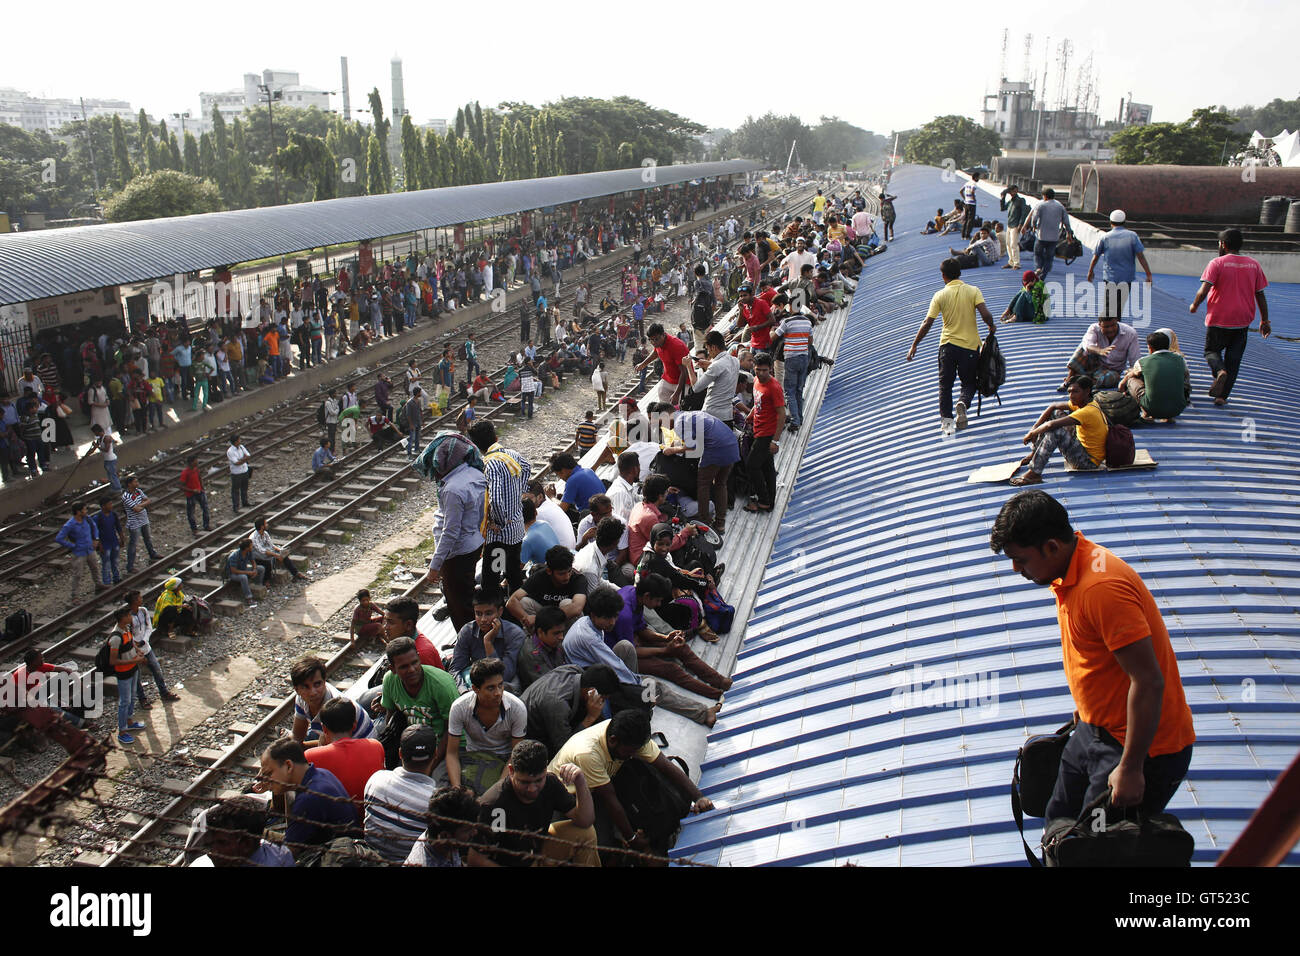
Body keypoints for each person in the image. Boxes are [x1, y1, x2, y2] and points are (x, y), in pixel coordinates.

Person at [989, 491, 1195, 820]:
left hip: (1140, 749)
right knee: (1060, 823)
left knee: (1096, 847)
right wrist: (1087, 709)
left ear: (1052, 546)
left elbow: (1148, 681)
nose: (1016, 569)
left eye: (1022, 560)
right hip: (1094, 728)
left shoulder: (1100, 589)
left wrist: (1130, 768)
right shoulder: (1070, 567)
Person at [548, 709, 713, 856]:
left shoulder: (632, 734)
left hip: (599, 784)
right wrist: (632, 839)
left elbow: (665, 766)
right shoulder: (588, 753)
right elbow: (609, 798)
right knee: (604, 845)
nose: (633, 754)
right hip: (568, 795)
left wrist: (698, 797)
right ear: (613, 741)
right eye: (630, 751)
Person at [906, 258, 997, 436]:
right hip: (970, 347)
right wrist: (991, 326)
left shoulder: (940, 295)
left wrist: (914, 345)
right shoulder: (973, 291)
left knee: (945, 386)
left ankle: (947, 425)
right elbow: (985, 313)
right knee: (969, 382)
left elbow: (927, 322)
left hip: (947, 347)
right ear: (960, 273)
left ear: (943, 276)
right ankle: (963, 403)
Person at [477, 739, 600, 867]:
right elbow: (476, 860)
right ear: (511, 771)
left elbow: (585, 820)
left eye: (538, 781)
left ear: (546, 768)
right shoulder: (494, 804)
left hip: (537, 853)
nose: (532, 789)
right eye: (524, 782)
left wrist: (580, 781)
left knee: (585, 833)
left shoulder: (550, 783)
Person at [1189, 227, 1270, 407]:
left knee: (1211, 351)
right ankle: (1222, 397)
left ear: (1223, 244)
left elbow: (1204, 290)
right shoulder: (1253, 265)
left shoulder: (1217, 263)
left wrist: (1195, 305)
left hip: (1219, 319)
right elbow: (1260, 294)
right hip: (1242, 322)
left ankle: (1219, 371)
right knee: (1234, 360)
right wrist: (1264, 320)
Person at [417, 433, 487, 633]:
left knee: (458, 604)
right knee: (466, 597)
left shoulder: (453, 489)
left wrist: (435, 565)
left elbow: (451, 531)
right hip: (473, 543)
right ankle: (475, 637)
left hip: (456, 553)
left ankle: (469, 642)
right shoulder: (475, 474)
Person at [255, 735, 357, 856]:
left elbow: (287, 855)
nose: (265, 780)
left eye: (268, 773)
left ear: (288, 766)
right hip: (345, 847)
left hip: (339, 858)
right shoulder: (321, 774)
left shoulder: (309, 799)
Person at [445, 658, 527, 794]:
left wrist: (498, 790)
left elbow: (515, 755)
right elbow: (451, 753)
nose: (498, 693)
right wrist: (457, 789)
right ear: (475, 689)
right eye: (491, 688)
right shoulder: (459, 707)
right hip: (472, 756)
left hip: (504, 760)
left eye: (500, 685)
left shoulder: (517, 709)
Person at [1009, 375, 1107, 486]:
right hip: (1082, 447)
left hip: (1088, 462)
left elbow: (1050, 425)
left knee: (1056, 431)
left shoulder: (1087, 411)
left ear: (1087, 391)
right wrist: (1034, 427)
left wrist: (1031, 433)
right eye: (1069, 392)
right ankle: (1035, 453)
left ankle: (1034, 473)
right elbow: (1053, 406)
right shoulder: (1084, 403)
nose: (1071, 396)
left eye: (1075, 392)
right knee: (1055, 413)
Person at [363, 724, 442, 862]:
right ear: (435, 754)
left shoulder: (376, 780)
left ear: (400, 753)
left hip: (370, 861)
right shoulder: (436, 802)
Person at [304, 697, 385, 812]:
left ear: (324, 728)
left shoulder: (311, 756)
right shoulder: (376, 746)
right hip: (371, 818)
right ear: (354, 725)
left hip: (336, 823)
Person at [520, 662, 619, 757]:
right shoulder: (558, 705)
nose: (602, 703)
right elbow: (565, 748)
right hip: (529, 735)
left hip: (547, 716)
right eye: (603, 699)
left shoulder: (574, 670)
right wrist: (590, 717)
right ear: (592, 692)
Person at [375, 636, 460, 746]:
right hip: (412, 740)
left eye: (414, 663)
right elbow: (390, 715)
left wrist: (434, 761)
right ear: (393, 669)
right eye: (404, 667)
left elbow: (453, 729)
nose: (411, 670)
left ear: (419, 658)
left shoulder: (441, 684)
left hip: (445, 743)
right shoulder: (390, 680)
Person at [290, 654, 375, 746]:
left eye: (317, 684)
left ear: (324, 682)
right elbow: (297, 738)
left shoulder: (336, 707)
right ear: (297, 690)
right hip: (334, 741)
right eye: (305, 687)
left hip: (361, 747)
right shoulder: (301, 699)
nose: (313, 692)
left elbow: (336, 748)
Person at [450, 588, 526, 689]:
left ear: (500, 612)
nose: (483, 619)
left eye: (488, 613)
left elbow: (505, 675)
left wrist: (488, 642)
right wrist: (463, 691)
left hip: (505, 684)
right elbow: (455, 668)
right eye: (478, 614)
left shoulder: (515, 634)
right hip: (477, 682)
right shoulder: (467, 631)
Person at [188, 795, 294, 867]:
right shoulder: (281, 854)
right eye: (211, 843)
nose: (213, 851)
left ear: (247, 844)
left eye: (222, 843)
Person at [1086, 210, 1154, 320]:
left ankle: (1106, 328)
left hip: (1110, 277)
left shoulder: (1105, 237)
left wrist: (1090, 271)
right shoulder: (1132, 236)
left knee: (1108, 306)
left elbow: (1096, 256)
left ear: (1111, 222)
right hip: (1126, 278)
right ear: (1124, 222)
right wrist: (1148, 274)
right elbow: (1141, 256)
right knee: (1120, 306)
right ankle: (1116, 326)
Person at [507, 546, 590, 631]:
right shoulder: (539, 576)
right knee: (524, 602)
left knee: (567, 603)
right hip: (545, 621)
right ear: (549, 571)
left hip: (565, 625)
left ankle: (565, 642)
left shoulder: (578, 579)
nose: (567, 577)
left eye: (569, 571)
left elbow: (577, 608)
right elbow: (511, 602)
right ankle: (538, 639)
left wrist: (540, 619)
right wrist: (526, 617)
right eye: (561, 574)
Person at [403, 786, 491, 866]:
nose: (474, 832)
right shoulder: (425, 863)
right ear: (445, 835)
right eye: (468, 830)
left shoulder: (443, 842)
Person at [1118, 330, 1191, 422]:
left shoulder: (1143, 361)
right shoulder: (1181, 360)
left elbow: (1130, 375)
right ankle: (1168, 417)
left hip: (1152, 408)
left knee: (1132, 378)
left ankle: (1146, 413)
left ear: (1150, 348)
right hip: (1177, 410)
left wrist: (1121, 385)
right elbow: (1186, 380)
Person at [744, 352, 785, 511]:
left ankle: (763, 500)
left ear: (770, 370)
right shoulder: (756, 381)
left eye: (764, 370)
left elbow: (782, 414)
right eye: (758, 369)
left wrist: (775, 440)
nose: (761, 373)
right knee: (767, 467)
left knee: (752, 466)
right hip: (757, 428)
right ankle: (769, 501)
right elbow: (758, 402)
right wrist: (751, 414)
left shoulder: (774, 387)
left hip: (767, 433)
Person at [126, 588, 180, 707]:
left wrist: (144, 640)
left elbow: (148, 627)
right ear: (134, 601)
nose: (142, 599)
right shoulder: (127, 616)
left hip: (146, 647)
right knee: (137, 676)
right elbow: (127, 634)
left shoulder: (143, 611)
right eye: (139, 598)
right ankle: (142, 699)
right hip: (133, 650)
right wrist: (136, 645)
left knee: (157, 669)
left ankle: (164, 692)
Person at [1061, 313, 1142, 392]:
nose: (1110, 329)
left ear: (1117, 322)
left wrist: (1130, 375)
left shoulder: (1130, 334)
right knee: (1082, 347)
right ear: (1100, 325)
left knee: (1113, 378)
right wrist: (1100, 351)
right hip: (1094, 362)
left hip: (1112, 370)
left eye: (1113, 325)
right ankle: (1069, 379)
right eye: (1106, 327)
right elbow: (1087, 344)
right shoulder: (1094, 328)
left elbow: (1135, 360)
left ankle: (1084, 383)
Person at [107, 605, 147, 744]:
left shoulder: (126, 629)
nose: (131, 618)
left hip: (133, 668)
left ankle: (129, 721)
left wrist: (137, 651)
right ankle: (122, 731)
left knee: (133, 695)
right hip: (124, 672)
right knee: (124, 701)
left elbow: (130, 643)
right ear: (123, 618)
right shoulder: (116, 638)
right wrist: (134, 660)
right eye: (128, 616)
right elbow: (113, 661)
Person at [688, 331, 740, 424]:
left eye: (708, 349)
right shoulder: (735, 361)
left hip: (712, 414)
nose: (708, 353)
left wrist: (688, 366)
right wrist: (709, 364)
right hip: (727, 415)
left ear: (713, 347)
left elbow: (696, 388)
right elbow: (724, 369)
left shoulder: (716, 366)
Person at [638, 322, 694, 405]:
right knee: (663, 404)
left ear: (663, 335)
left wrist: (677, 393)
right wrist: (643, 364)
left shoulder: (677, 346)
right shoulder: (658, 343)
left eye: (656, 339)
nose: (653, 342)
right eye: (651, 340)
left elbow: (684, 372)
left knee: (682, 408)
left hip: (683, 382)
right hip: (668, 379)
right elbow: (656, 352)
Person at [54, 504, 103, 599]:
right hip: (80, 553)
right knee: (78, 574)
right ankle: (75, 595)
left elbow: (95, 527)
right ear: (78, 512)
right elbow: (59, 538)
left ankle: (98, 585)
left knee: (95, 568)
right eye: (84, 509)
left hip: (90, 549)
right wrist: (73, 546)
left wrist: (96, 539)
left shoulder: (87, 519)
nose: (86, 511)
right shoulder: (70, 525)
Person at [121, 474, 161, 573]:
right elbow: (136, 509)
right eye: (135, 482)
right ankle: (130, 566)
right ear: (129, 484)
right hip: (134, 522)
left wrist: (140, 505)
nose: (137, 483)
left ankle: (152, 553)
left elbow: (148, 500)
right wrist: (141, 505)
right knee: (133, 544)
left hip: (144, 519)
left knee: (147, 538)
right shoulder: (125, 496)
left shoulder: (138, 491)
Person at [1028, 187, 1069, 278]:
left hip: (1041, 236)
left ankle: (1038, 267)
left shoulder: (1041, 205)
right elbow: (1066, 221)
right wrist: (1069, 233)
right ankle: (1043, 275)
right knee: (1049, 257)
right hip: (1054, 237)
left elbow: (1034, 218)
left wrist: (1034, 226)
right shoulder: (1060, 206)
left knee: (1038, 253)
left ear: (1045, 196)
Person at [251, 517, 305, 583]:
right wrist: (276, 555)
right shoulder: (254, 538)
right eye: (266, 524)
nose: (267, 525)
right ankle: (266, 581)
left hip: (267, 554)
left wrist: (280, 551)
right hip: (258, 557)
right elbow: (262, 551)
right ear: (262, 526)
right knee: (267, 563)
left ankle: (296, 573)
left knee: (284, 556)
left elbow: (271, 545)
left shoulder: (265, 534)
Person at [551, 452, 604, 518]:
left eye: (558, 475)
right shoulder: (588, 470)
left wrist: (551, 497)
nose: (560, 478)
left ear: (563, 470)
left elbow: (562, 509)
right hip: (603, 511)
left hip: (594, 517)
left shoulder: (572, 481)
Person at [91, 497, 123, 588]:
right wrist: (99, 545)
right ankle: (107, 581)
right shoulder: (97, 518)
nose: (111, 506)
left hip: (114, 541)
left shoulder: (113, 515)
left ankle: (116, 577)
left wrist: (121, 538)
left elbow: (118, 527)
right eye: (109, 504)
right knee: (106, 563)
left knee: (115, 561)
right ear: (103, 506)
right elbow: (95, 532)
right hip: (105, 544)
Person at [225, 538, 265, 605]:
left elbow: (253, 561)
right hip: (233, 574)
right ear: (246, 548)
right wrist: (249, 572)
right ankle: (249, 598)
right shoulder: (234, 556)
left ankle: (258, 584)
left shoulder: (249, 552)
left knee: (261, 568)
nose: (252, 546)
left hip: (243, 569)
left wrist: (254, 569)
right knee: (243, 577)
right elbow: (234, 570)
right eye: (251, 545)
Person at [178, 454, 211, 535]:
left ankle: (206, 525)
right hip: (191, 495)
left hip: (200, 492)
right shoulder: (185, 473)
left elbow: (199, 478)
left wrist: (202, 488)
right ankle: (194, 529)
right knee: (191, 512)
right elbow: (181, 486)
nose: (197, 461)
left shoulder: (196, 469)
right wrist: (192, 490)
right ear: (191, 462)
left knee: (205, 508)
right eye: (196, 460)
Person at [999, 184, 1028, 270]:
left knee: (1013, 244)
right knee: (1008, 243)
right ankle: (1011, 261)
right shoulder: (1011, 201)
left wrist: (1021, 224)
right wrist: (1003, 198)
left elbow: (1024, 213)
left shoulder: (1020, 200)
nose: (1013, 193)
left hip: (1016, 225)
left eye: (1015, 191)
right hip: (1010, 224)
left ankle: (1016, 263)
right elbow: (1003, 208)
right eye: (1012, 191)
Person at [227, 434, 252, 514]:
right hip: (236, 473)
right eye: (239, 440)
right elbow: (236, 463)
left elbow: (248, 455)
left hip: (244, 470)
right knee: (236, 490)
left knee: (244, 488)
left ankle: (245, 502)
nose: (240, 441)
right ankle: (236, 506)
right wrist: (244, 460)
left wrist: (242, 460)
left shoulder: (241, 447)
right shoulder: (230, 451)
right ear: (235, 442)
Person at [404, 386, 424, 462]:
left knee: (417, 437)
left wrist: (422, 421)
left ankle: (417, 449)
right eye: (420, 392)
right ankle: (409, 454)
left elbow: (420, 411)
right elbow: (408, 415)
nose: (421, 393)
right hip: (413, 423)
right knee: (412, 438)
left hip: (418, 421)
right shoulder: (409, 402)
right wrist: (411, 424)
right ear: (417, 393)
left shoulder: (418, 401)